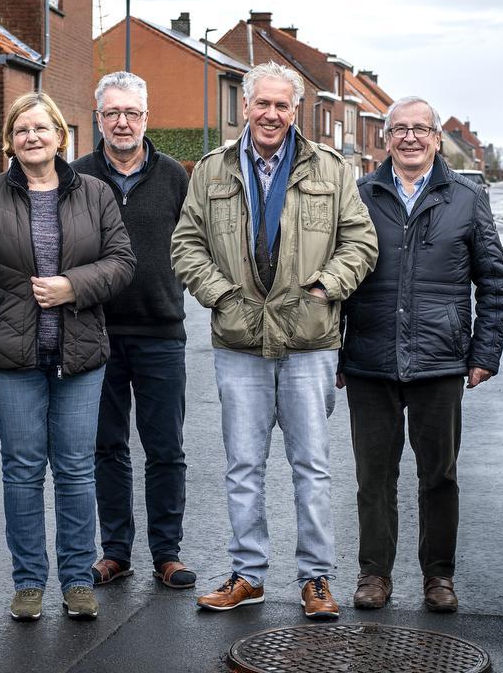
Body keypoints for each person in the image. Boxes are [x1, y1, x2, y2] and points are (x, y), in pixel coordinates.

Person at [171, 61, 378, 620]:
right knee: (243, 465)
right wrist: (220, 296)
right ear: (245, 106)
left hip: (310, 340)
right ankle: (248, 574)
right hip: (239, 340)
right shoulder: (212, 171)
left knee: (311, 466)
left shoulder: (331, 170)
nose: (271, 114)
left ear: (295, 111)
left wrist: (326, 288)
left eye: (282, 105)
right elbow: (186, 244)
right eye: (262, 104)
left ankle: (316, 579)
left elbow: (360, 241)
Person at [0, 91, 136, 622]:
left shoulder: (94, 193)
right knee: (22, 470)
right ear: (10, 140)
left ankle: (76, 581)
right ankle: (28, 582)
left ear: (59, 136)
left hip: (79, 357)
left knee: (75, 470)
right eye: (22, 129)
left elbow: (122, 261)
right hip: (7, 361)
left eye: (41, 128)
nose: (32, 136)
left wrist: (72, 285)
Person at [339, 96, 503, 614]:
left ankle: (439, 578)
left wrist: (485, 352)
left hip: (440, 361)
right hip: (371, 359)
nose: (410, 138)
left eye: (421, 129)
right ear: (384, 138)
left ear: (437, 138)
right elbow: (339, 277)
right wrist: (336, 353)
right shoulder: (360, 195)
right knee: (374, 476)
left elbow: (494, 282)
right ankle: (375, 575)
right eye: (399, 130)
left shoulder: (465, 196)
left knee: (439, 476)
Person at [72, 72, 195, 590]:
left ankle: (167, 552)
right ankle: (116, 551)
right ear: (98, 117)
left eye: (133, 113)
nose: (122, 122)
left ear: (147, 117)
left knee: (165, 448)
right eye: (112, 113)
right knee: (107, 447)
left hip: (161, 331)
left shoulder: (174, 177)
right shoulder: (75, 176)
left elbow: (196, 244)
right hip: (95, 332)